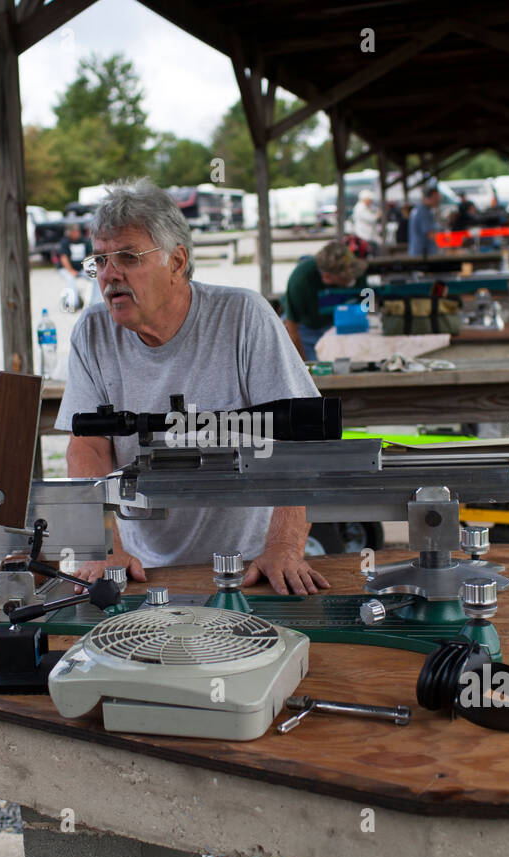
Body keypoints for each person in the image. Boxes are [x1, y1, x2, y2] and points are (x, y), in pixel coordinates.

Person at [56, 178, 330, 597]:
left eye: (128, 256)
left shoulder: (243, 317)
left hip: (253, 566)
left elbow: (303, 436)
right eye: (101, 260)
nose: (110, 274)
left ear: (177, 262)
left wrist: (283, 545)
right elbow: (88, 447)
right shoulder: (92, 332)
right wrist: (103, 544)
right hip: (144, 569)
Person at [281, 240, 366, 362]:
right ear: (327, 277)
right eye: (345, 279)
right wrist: (304, 367)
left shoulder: (356, 271)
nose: (352, 281)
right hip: (306, 328)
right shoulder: (300, 279)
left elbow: (367, 305)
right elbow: (292, 328)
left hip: (341, 325)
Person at [56, 222, 96, 312]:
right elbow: (64, 257)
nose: (75, 233)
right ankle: (72, 304)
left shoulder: (85, 241)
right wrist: (71, 270)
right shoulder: (65, 242)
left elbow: (90, 256)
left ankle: (95, 302)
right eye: (73, 231)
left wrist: (89, 269)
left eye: (76, 231)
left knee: (95, 278)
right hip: (66, 269)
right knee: (70, 279)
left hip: (81, 269)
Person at [407, 187, 440, 257]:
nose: (438, 201)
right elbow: (430, 234)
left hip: (417, 252)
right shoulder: (423, 212)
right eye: (436, 198)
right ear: (428, 198)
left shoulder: (419, 209)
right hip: (422, 254)